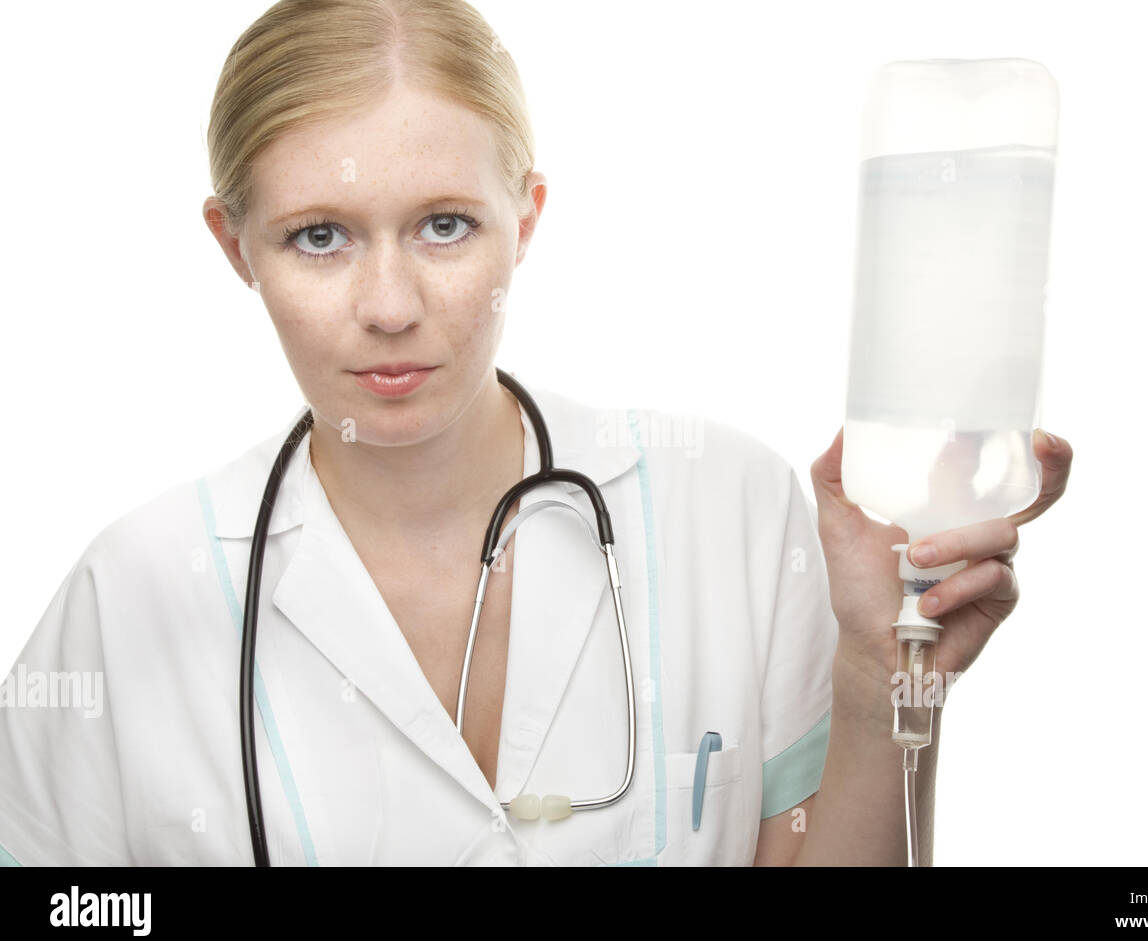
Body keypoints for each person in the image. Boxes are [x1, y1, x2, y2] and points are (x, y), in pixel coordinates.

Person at [0, 0, 1071, 867]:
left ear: (527, 217)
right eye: (318, 237)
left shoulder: (729, 507)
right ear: (235, 246)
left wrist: (882, 675)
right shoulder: (128, 593)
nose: (388, 304)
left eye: (444, 225)